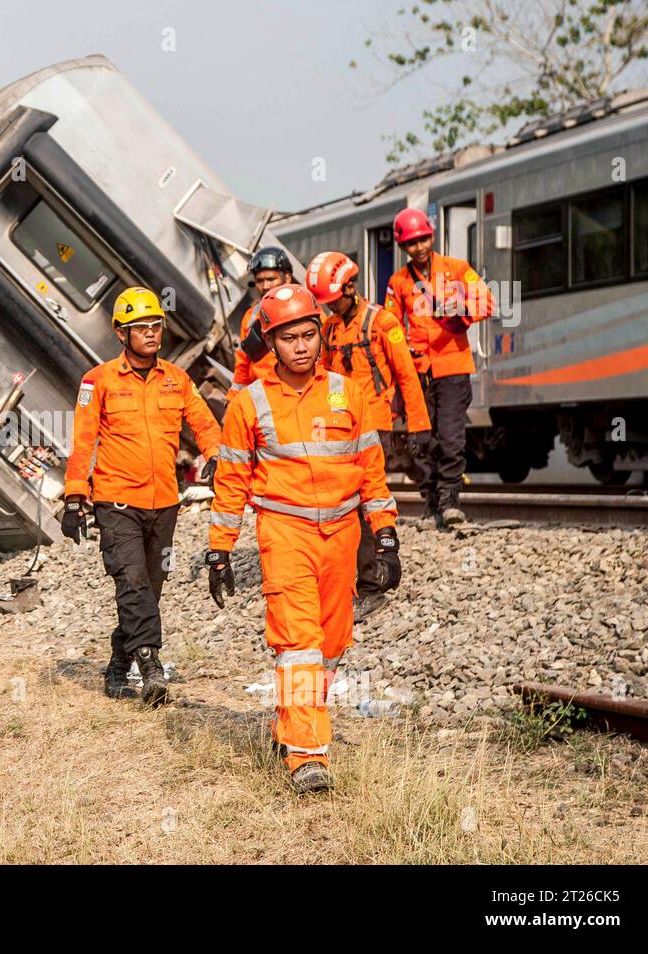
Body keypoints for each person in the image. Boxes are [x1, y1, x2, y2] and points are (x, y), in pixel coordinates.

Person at [205, 284, 399, 794]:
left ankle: (289, 725)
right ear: (271, 344)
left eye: (308, 334)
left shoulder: (347, 393)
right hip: (284, 535)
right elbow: (229, 483)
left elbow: (371, 473)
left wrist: (386, 536)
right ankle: (308, 753)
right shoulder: (249, 404)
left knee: (332, 643)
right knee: (298, 645)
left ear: (321, 335)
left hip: (341, 536)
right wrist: (220, 549)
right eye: (288, 338)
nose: (301, 346)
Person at [63, 286, 222, 706]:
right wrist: (75, 496)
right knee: (131, 583)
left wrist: (216, 455)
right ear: (121, 333)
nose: (151, 333)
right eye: (141, 328)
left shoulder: (176, 379)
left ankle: (118, 663)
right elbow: (83, 442)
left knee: (147, 592)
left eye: (156, 325)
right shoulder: (98, 381)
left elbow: (203, 423)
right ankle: (151, 667)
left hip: (164, 502)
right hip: (116, 502)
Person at [306, 251, 430, 621]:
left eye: (333, 301)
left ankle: (372, 580)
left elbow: (406, 375)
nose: (329, 309)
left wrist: (419, 426)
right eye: (324, 304)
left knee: (363, 503)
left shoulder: (382, 322)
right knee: (343, 503)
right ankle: (353, 578)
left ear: (349, 287)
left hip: (376, 427)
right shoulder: (329, 330)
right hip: (338, 429)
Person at [384, 208, 495, 526]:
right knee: (421, 442)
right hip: (418, 373)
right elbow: (389, 323)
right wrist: (400, 346)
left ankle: (449, 500)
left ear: (431, 236)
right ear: (403, 246)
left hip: (453, 368)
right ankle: (432, 502)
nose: (419, 247)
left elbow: (487, 301)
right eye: (411, 243)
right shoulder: (398, 282)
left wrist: (462, 308)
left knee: (450, 438)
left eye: (423, 240)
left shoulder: (457, 269)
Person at [232, 246, 294, 389]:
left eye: (271, 279)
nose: (265, 286)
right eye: (260, 281)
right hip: (262, 396)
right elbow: (242, 365)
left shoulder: (306, 309)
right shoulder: (250, 317)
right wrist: (233, 399)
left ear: (288, 278)